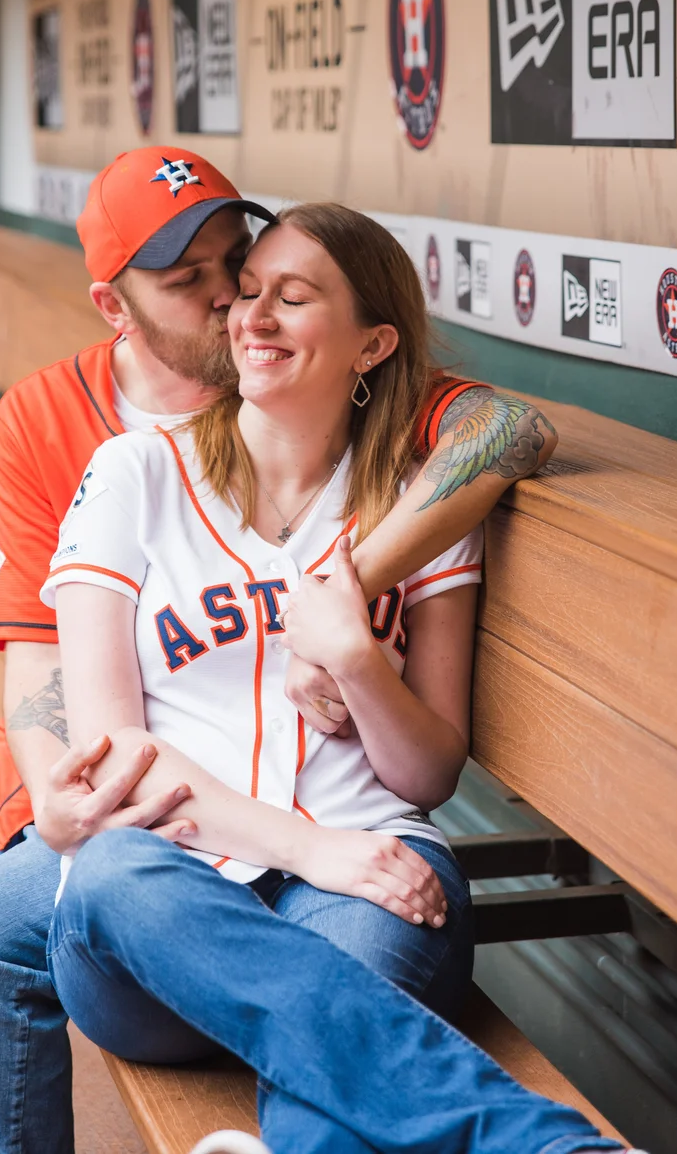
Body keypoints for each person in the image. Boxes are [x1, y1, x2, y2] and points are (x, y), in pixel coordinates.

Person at [0, 148, 558, 1154]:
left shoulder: (338, 392)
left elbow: (506, 428)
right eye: (189, 281)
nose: (227, 301)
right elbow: (43, 666)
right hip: (75, 789)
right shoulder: (62, 424)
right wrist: (62, 794)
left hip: (298, 805)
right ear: (115, 309)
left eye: (233, 260)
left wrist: (341, 606)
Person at [44, 202, 629, 1154]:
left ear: (373, 345)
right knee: (111, 875)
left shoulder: (418, 504)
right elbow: (115, 766)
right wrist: (314, 854)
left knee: (334, 1059)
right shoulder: (134, 473)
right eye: (246, 295)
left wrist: (356, 655)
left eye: (293, 297)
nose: (252, 317)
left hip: (369, 870)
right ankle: (542, 1143)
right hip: (176, 902)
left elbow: (427, 773)